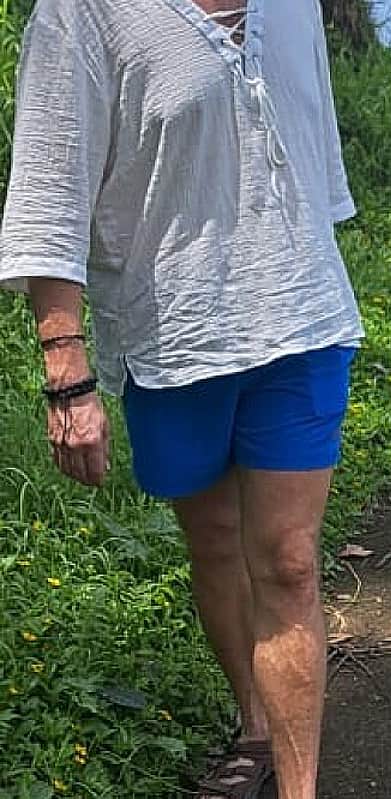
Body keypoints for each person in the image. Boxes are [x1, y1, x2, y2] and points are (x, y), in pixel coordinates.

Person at [0, 2, 362, 797]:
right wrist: (66, 366)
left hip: (303, 315)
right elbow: (48, 194)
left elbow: (312, 145)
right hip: (176, 335)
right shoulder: (83, 13)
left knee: (291, 561)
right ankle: (254, 720)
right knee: (217, 542)